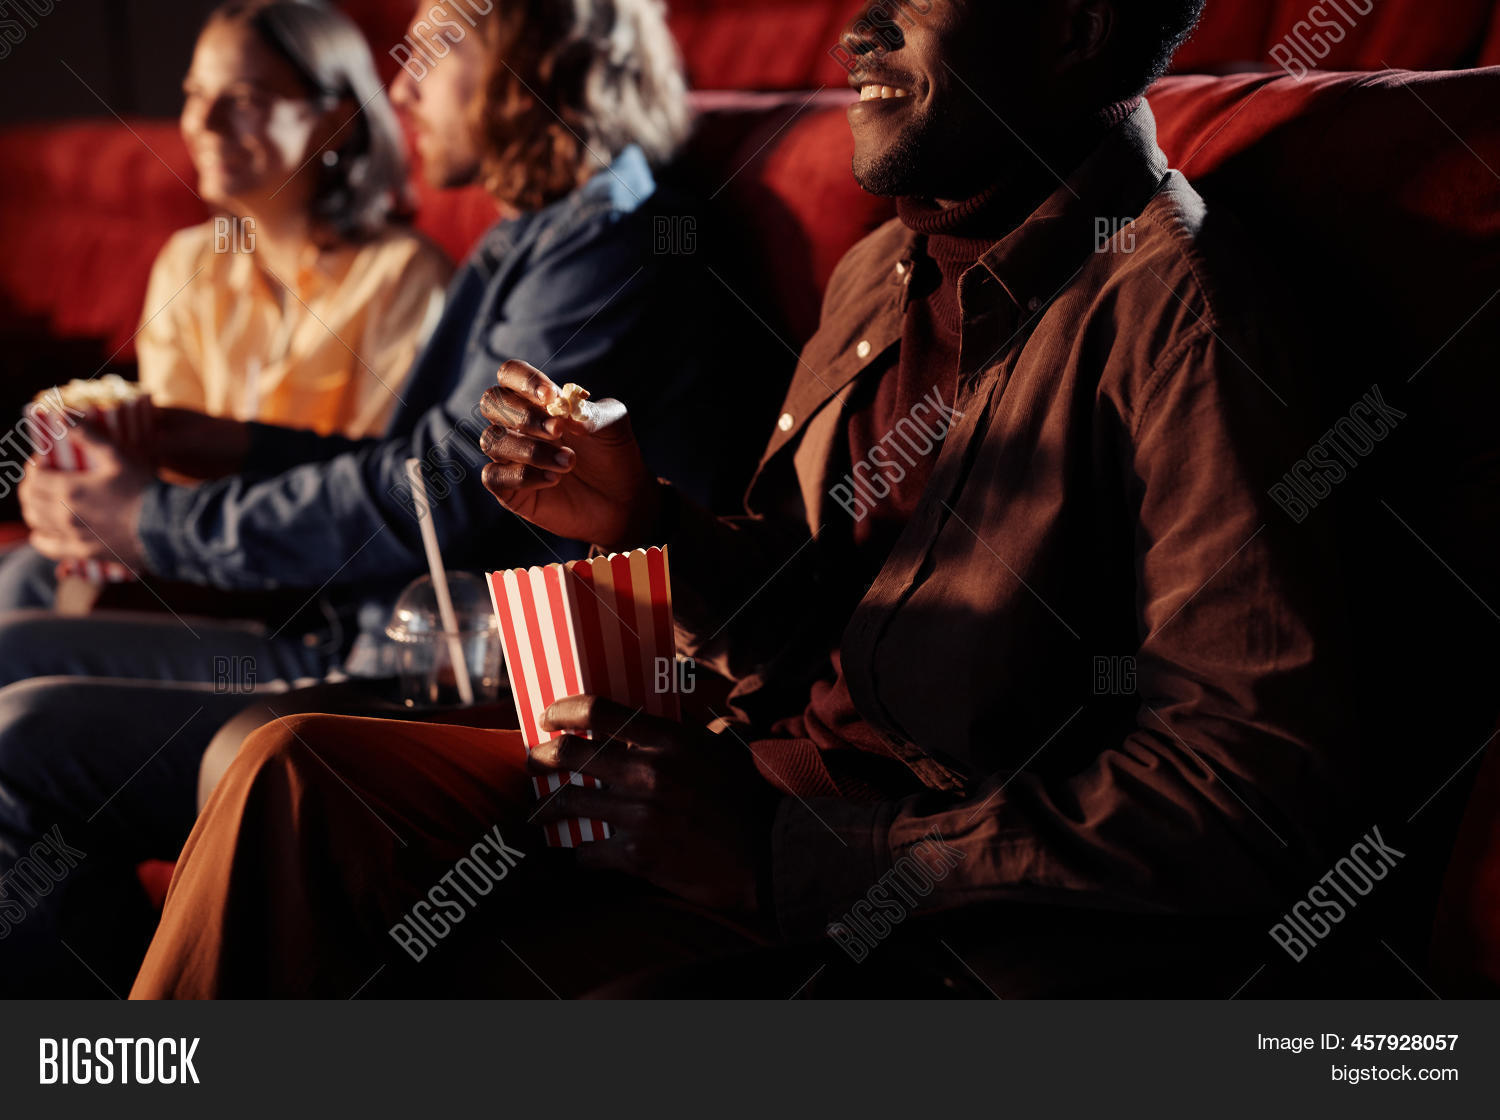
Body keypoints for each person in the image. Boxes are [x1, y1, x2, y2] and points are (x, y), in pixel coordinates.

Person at [131, 0, 1365, 998]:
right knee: (294, 775)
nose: (858, 27)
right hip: (746, 795)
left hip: (924, 918)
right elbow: (813, 603)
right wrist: (644, 523)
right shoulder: (878, 275)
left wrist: (806, 860)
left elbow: (1244, 790)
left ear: (1075, 26)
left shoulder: (1186, 316)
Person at [0, 0, 704, 996]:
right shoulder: (537, 233)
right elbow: (417, 460)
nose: (403, 89)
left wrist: (150, 521)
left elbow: (457, 491)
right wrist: (220, 440)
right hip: (377, 629)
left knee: (19, 738)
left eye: (430, 56)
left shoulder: (614, 235)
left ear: (522, 63)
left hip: (462, 674)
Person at [0, 0, 451, 612]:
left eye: (243, 99)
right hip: (192, 554)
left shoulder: (405, 275)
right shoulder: (190, 261)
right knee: (26, 570)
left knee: (25, 593)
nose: (204, 124)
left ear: (337, 122)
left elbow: (374, 489)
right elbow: (166, 456)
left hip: (320, 586)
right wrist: (76, 485)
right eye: (194, 94)